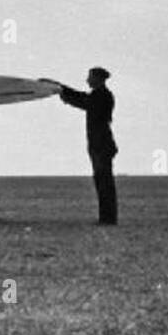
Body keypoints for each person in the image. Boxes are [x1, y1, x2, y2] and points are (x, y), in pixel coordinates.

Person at [43, 67, 117, 225]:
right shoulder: (100, 94)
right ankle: (106, 217)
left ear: (98, 78)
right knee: (102, 181)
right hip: (99, 144)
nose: (87, 80)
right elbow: (83, 98)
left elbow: (84, 102)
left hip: (101, 145)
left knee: (104, 182)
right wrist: (60, 87)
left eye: (90, 77)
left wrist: (63, 93)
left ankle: (108, 218)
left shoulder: (102, 96)